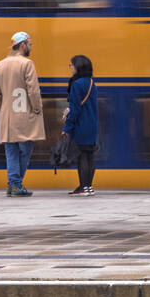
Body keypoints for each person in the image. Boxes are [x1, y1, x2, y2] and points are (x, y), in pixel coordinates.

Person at [0, 31, 45, 197]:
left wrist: (2, 109)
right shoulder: (27, 64)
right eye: (30, 44)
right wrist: (37, 108)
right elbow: (33, 90)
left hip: (7, 116)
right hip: (25, 114)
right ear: (23, 45)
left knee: (11, 150)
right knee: (26, 148)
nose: (30, 48)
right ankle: (15, 183)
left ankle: (13, 183)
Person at [62, 55, 98, 195]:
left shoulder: (76, 84)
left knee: (82, 156)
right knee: (90, 155)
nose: (70, 67)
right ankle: (89, 187)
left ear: (78, 66)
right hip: (92, 125)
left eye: (71, 65)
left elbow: (76, 109)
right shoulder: (91, 83)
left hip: (81, 125)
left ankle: (83, 187)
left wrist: (67, 127)